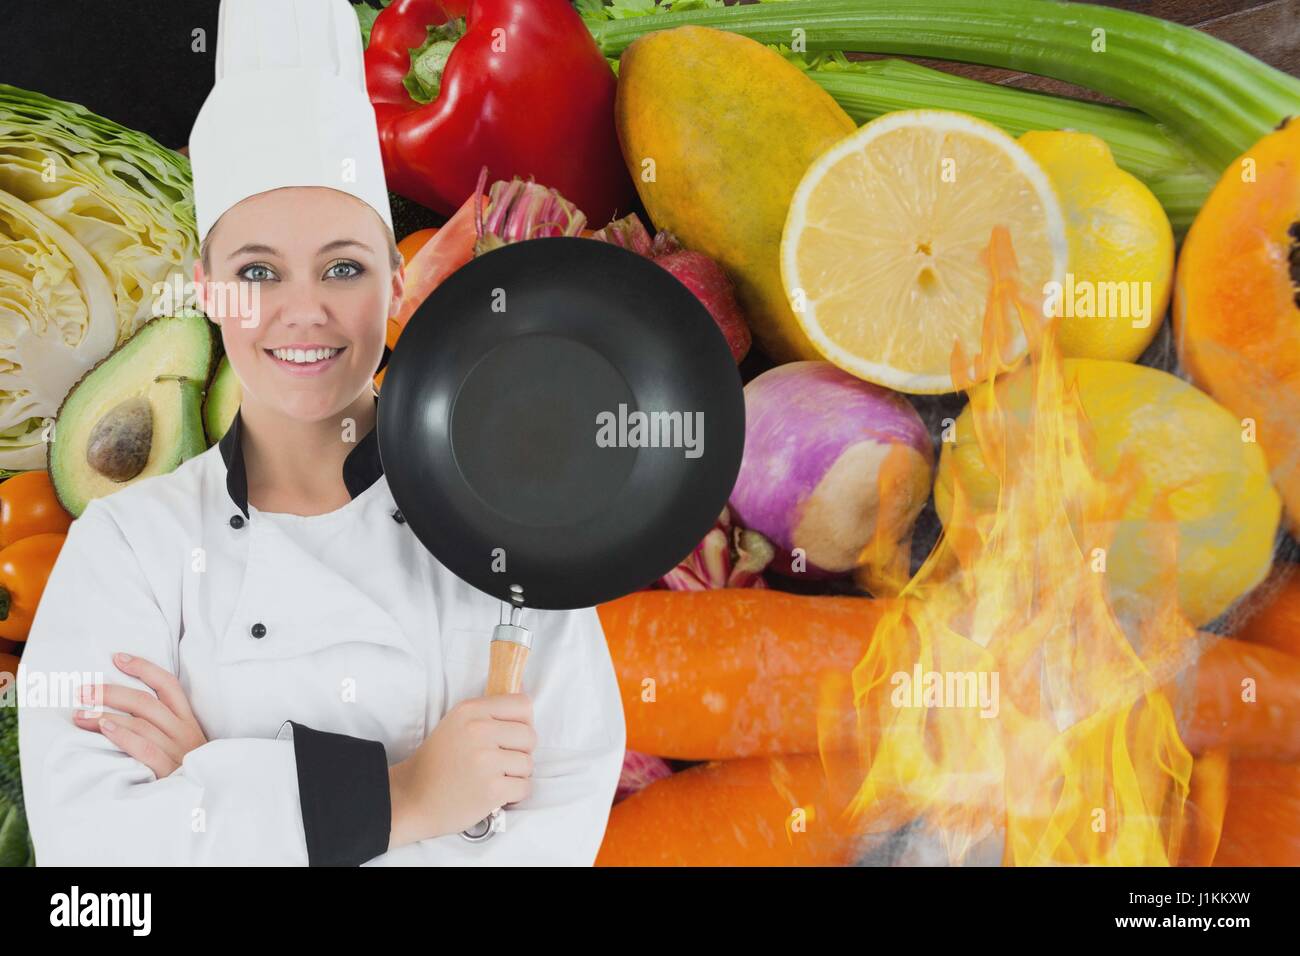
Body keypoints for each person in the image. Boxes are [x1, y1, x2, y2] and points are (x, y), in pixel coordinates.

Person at [16, 0, 625, 866]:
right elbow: (96, 855)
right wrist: (410, 798)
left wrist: (213, 778)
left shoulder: (511, 533)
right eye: (257, 271)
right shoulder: (126, 550)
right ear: (207, 288)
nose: (304, 313)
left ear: (398, 278)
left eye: (344, 266)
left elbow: (558, 835)